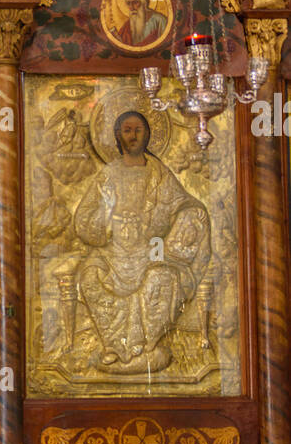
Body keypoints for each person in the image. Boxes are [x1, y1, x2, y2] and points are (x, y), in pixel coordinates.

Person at [73, 111, 210, 372]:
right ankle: (114, 345)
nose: (133, 135)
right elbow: (84, 221)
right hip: (111, 253)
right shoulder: (108, 174)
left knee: (161, 280)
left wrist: (160, 222)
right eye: (127, 130)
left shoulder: (158, 173)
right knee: (89, 278)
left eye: (138, 130)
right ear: (117, 136)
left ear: (147, 135)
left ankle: (144, 344)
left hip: (150, 251)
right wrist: (108, 212)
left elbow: (181, 204)